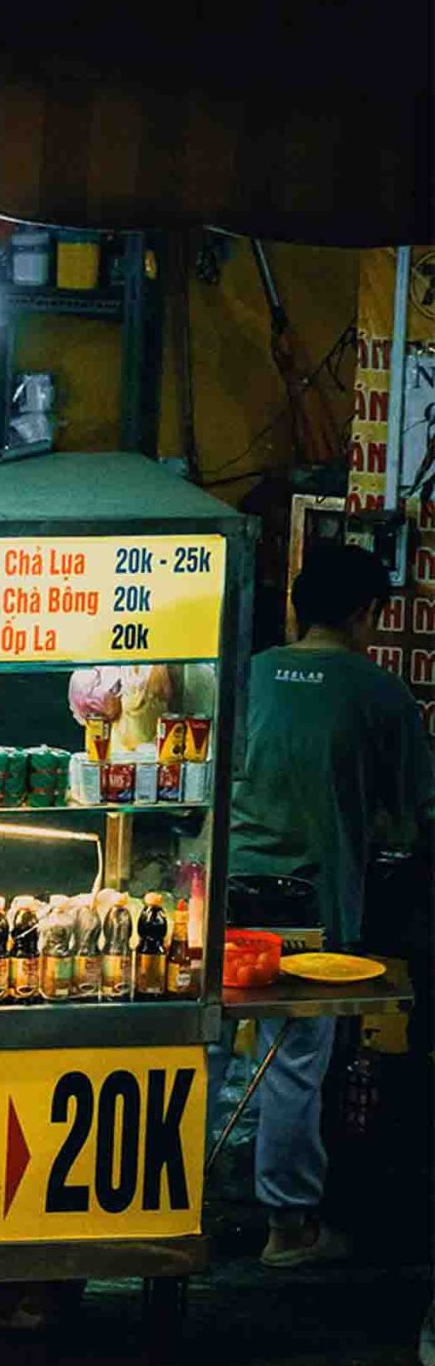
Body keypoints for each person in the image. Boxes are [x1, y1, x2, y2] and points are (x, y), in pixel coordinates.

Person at [228, 542, 434, 1267]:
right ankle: (287, 1228)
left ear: (296, 606)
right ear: (365, 612)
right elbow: (413, 818)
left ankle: (188, 1205)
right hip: (310, 903)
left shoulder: (245, 675)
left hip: (222, 894)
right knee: (293, 1057)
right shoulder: (381, 693)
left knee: (212, 1049)